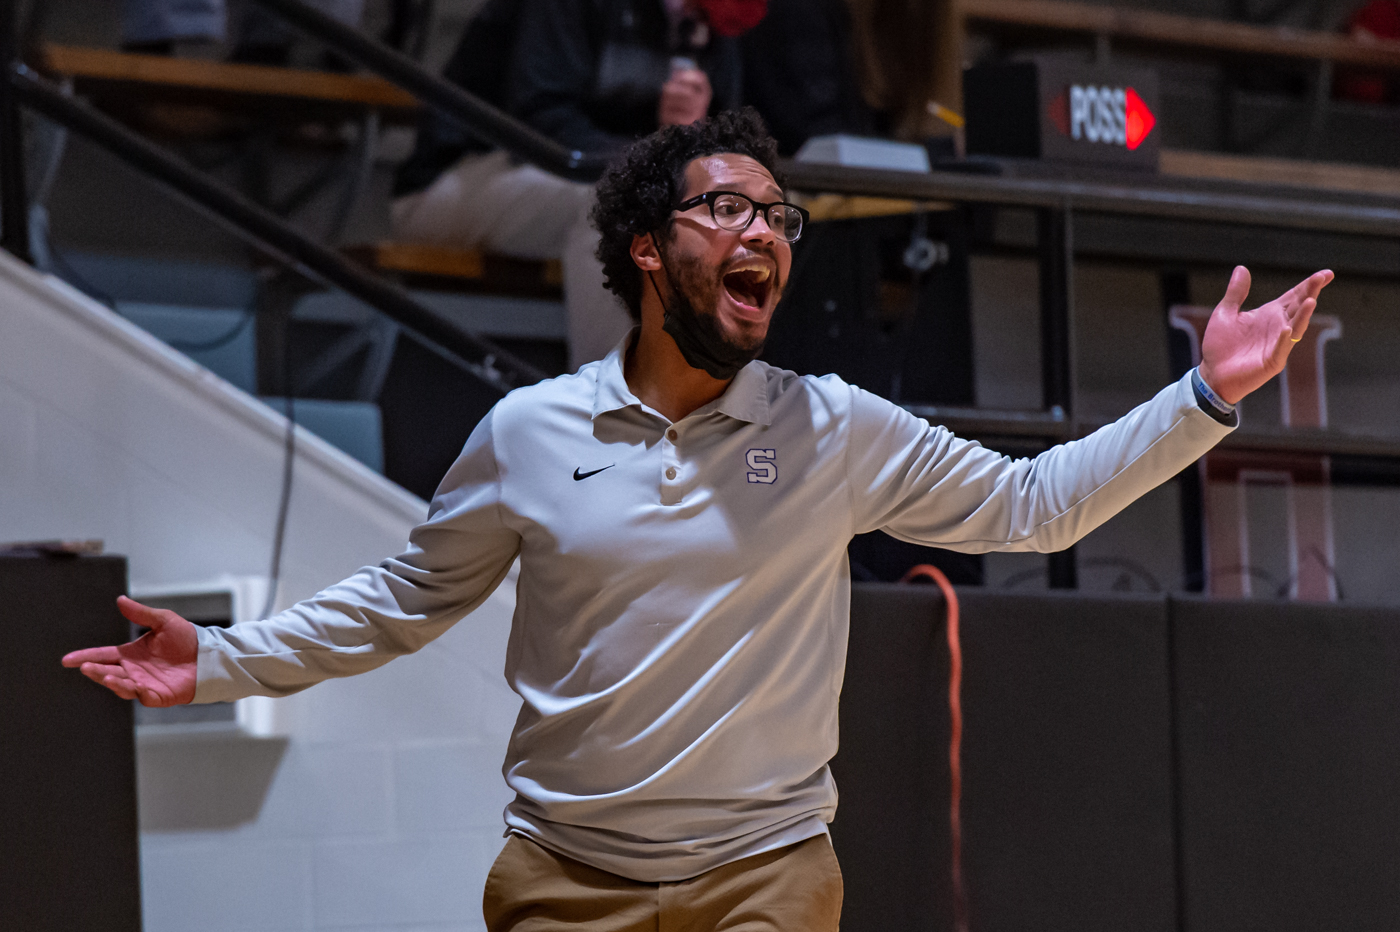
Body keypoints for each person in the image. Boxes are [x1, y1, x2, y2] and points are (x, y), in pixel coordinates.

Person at [66, 110, 1333, 931]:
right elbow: (402, 600)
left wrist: (1202, 393)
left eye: (776, 217)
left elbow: (1035, 506)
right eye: (725, 206)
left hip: (766, 880)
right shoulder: (526, 435)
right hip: (564, 879)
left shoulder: (831, 424)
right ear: (638, 249)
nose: (762, 232)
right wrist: (220, 658)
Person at [391, 0, 752, 371]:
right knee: (616, 206)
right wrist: (657, 154)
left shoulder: (717, 18)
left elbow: (719, 139)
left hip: (587, 184)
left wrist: (687, 134)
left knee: (741, 216)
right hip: (463, 174)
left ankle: (700, 404)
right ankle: (613, 415)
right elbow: (539, 120)